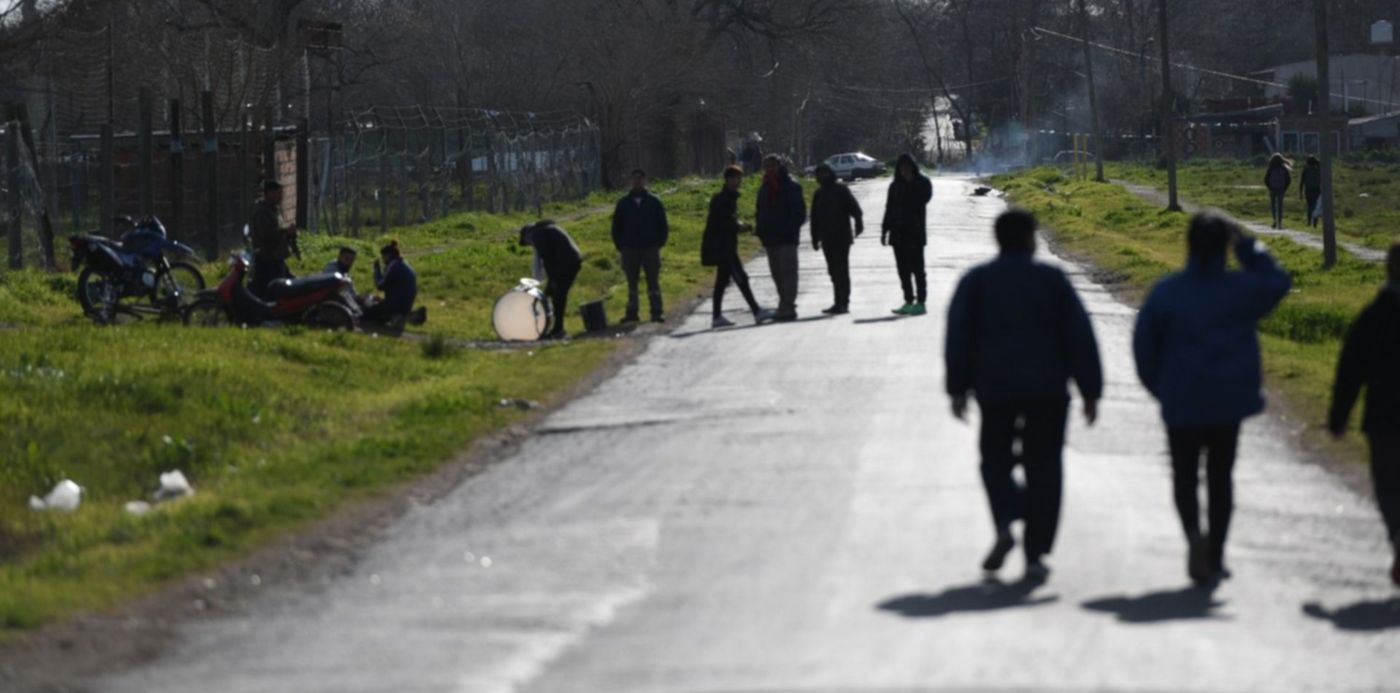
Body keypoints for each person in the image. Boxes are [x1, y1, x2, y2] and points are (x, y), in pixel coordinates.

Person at [945, 209, 1103, 584]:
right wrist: (1090, 390)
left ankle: (1006, 518)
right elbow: (1079, 336)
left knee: (994, 461)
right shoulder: (1052, 280)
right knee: (1044, 466)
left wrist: (957, 388)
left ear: (998, 239)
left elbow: (958, 337)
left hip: (994, 389)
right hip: (1047, 389)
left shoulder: (977, 280)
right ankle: (1035, 553)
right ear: (1031, 239)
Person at [1133, 213, 1291, 586]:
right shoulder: (1240, 289)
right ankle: (1216, 555)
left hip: (1181, 399)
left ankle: (1193, 535)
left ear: (1188, 244)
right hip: (1227, 401)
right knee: (1221, 478)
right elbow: (1279, 280)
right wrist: (1247, 245)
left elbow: (1144, 348)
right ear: (1224, 248)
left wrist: (1161, 388)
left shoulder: (1167, 292)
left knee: (1185, 476)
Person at [1327, 242, 1400, 588]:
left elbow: (1350, 369)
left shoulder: (1374, 316)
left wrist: (1339, 416)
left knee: (1387, 484)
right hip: (1384, 418)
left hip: (1384, 418)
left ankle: (1397, 534)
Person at [701, 165, 764, 328]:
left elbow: (730, 220)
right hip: (724, 247)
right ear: (728, 179)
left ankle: (716, 317)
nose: (739, 181)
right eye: (737, 178)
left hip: (725, 245)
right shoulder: (722, 200)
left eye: (740, 178)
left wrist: (739, 225)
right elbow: (724, 223)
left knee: (722, 281)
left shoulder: (729, 198)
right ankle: (757, 311)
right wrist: (740, 227)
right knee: (741, 278)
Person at [611, 169, 669, 323]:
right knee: (632, 283)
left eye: (640, 178)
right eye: (634, 179)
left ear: (645, 180)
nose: (637, 181)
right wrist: (621, 246)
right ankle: (632, 313)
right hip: (629, 249)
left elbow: (663, 225)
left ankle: (656, 312)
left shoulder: (654, 202)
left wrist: (658, 244)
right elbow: (616, 227)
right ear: (631, 181)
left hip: (650, 248)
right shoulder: (623, 203)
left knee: (653, 282)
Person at [755, 154, 807, 321]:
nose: (770, 169)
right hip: (770, 238)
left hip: (787, 238)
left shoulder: (791, 185)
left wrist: (790, 229)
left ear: (779, 166)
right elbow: (760, 211)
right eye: (767, 166)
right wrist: (760, 231)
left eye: (773, 166)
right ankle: (784, 303)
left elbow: (800, 213)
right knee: (777, 273)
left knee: (788, 272)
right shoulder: (764, 187)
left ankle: (788, 306)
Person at [882, 153, 933, 315]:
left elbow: (924, 198)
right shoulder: (894, 186)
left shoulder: (922, 183)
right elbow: (889, 209)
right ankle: (908, 300)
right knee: (903, 271)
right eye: (901, 168)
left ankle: (921, 302)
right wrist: (885, 230)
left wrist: (912, 183)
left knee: (918, 269)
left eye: (907, 167)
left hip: (915, 234)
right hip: (897, 235)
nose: (904, 170)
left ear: (913, 167)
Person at [810, 163, 865, 315]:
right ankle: (837, 302)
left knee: (841, 270)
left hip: (842, 237)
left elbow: (855, 209)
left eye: (825, 173)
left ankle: (843, 303)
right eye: (819, 174)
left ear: (831, 173)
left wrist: (859, 223)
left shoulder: (841, 190)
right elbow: (814, 219)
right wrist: (815, 238)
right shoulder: (818, 194)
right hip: (826, 238)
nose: (822, 176)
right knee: (833, 271)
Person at [519, 220, 583, 340]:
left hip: (566, 262)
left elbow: (547, 259)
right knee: (555, 294)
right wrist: (551, 283)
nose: (531, 245)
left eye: (528, 243)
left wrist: (553, 280)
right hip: (570, 260)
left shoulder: (537, 234)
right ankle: (556, 328)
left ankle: (558, 330)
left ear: (527, 235)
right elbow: (551, 257)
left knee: (559, 295)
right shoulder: (544, 229)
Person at [248, 179, 298, 299]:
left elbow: (278, 229)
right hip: (266, 259)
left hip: (276, 258)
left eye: (281, 193)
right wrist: (285, 231)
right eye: (278, 193)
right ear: (269, 193)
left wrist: (289, 233)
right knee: (271, 291)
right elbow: (266, 234)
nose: (280, 197)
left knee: (292, 285)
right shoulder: (261, 212)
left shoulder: (274, 210)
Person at [361, 240, 426, 326]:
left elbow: (380, 286)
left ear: (388, 256)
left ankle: (397, 316)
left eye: (383, 257)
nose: (383, 260)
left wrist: (377, 269)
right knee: (377, 305)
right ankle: (406, 315)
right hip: (405, 305)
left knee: (364, 312)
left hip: (395, 305)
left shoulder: (393, 265)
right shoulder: (404, 264)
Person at [1264, 153, 1292, 230]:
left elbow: (1266, 179)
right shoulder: (1284, 168)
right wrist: (1285, 188)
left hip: (1273, 189)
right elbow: (1288, 179)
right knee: (1280, 206)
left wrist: (1270, 187)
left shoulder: (1271, 168)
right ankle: (1280, 223)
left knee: (1273, 206)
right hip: (1281, 189)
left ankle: (1274, 221)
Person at [1300, 156, 1322, 228]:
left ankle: (1309, 221)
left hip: (1308, 190)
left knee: (1309, 206)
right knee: (1316, 206)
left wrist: (1300, 192)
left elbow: (1302, 182)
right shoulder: (1318, 170)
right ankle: (1315, 222)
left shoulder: (1306, 170)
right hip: (1317, 190)